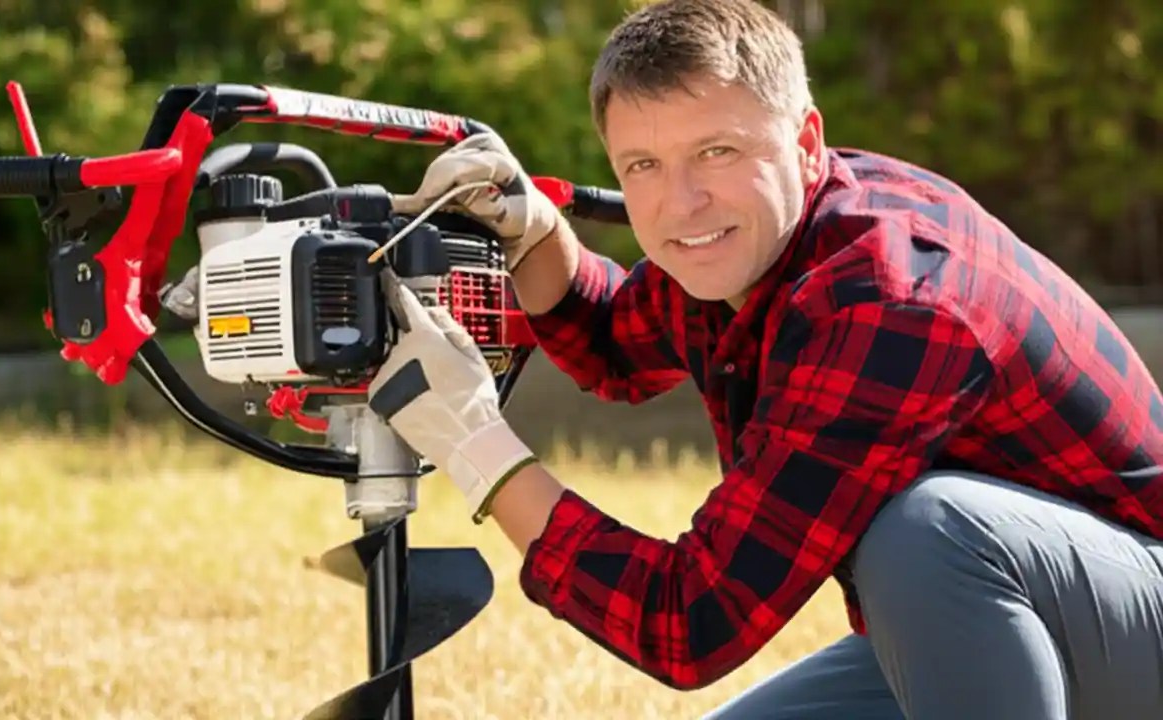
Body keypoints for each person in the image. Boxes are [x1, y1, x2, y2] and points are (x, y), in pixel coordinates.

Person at [367, 0, 1163, 717]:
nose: (681, 203)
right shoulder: (762, 244)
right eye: (642, 165)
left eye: (716, 152)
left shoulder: (888, 303)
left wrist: (478, 448)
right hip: (996, 633)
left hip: (1130, 628)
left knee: (927, 534)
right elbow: (613, 342)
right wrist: (532, 232)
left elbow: (690, 621)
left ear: (806, 142)